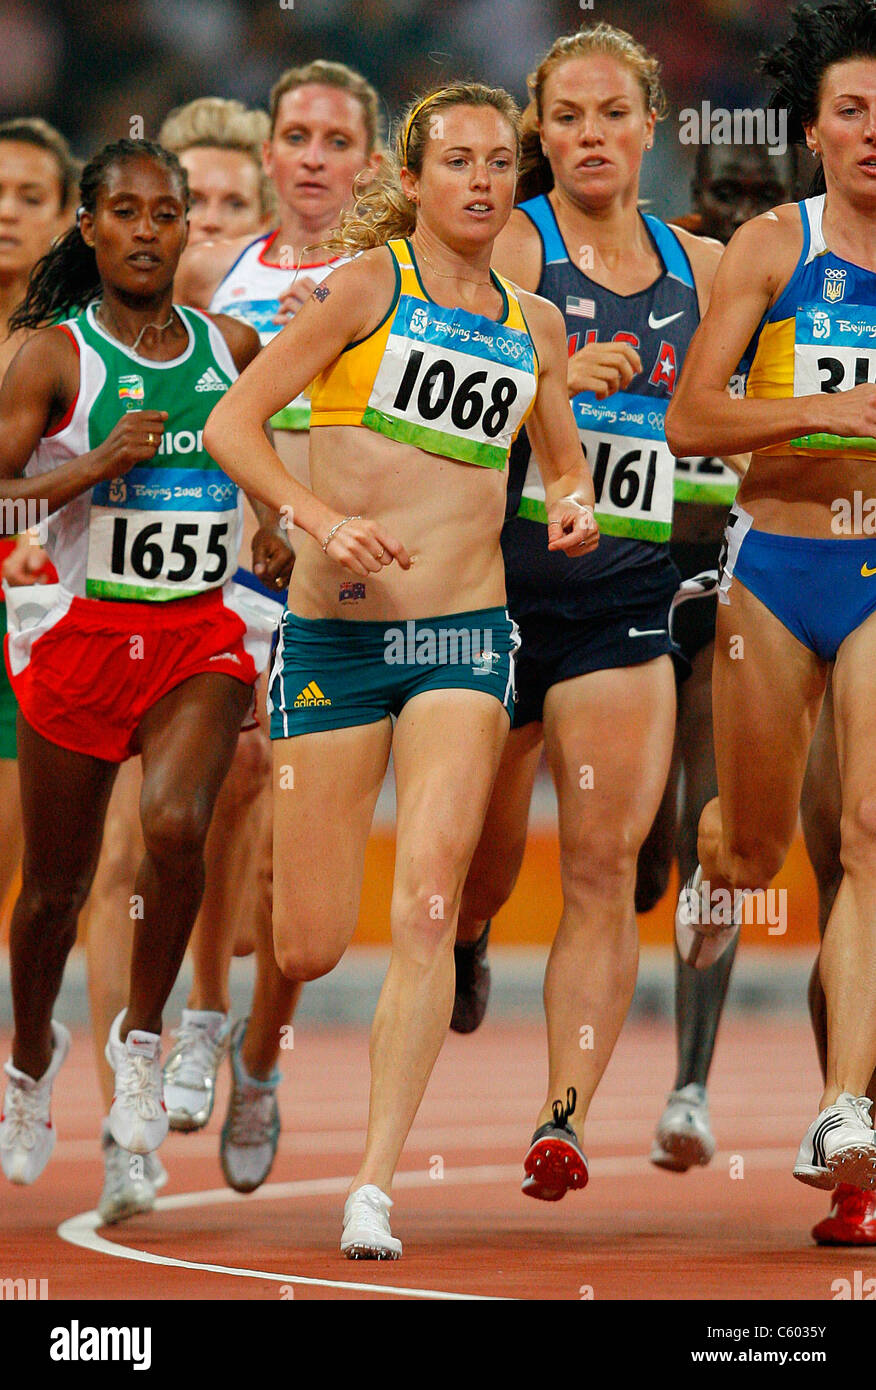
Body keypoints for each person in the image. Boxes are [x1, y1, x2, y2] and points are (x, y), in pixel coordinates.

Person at [204, 82, 598, 1258]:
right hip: (334, 637)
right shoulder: (364, 287)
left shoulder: (537, 327)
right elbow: (235, 427)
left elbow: (560, 463)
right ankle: (257, 1049)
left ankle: (374, 1183)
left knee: (427, 899)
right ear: (416, 179)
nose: (479, 180)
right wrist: (319, 521)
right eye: (456, 161)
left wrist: (573, 508)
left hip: (464, 642)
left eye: (497, 163)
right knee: (309, 941)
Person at [448, 24, 723, 1203]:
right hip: (488, 593)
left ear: (651, 124)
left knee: (606, 861)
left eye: (614, 114)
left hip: (623, 599)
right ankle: (465, 940)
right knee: (479, 864)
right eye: (566, 117)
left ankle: (562, 1115)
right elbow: (444, 408)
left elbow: (729, 424)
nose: (591, 136)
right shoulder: (510, 239)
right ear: (538, 130)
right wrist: (551, 382)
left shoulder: (705, 268)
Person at [0, 138, 290, 1188]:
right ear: (91, 227)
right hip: (82, 636)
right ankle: (31, 1056)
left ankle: (140, 1044)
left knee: (176, 825)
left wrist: (274, 518)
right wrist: (93, 465)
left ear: (182, 231)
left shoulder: (232, 346)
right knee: (54, 889)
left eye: (165, 214)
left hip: (197, 635)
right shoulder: (50, 355)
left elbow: (262, 455)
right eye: (123, 212)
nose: (145, 230)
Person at [155, 64, 384, 1199]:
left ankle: (258, 1056)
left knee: (301, 865)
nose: (308, 157)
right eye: (293, 134)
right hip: (244, 575)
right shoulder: (211, 270)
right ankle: (204, 1013)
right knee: (230, 780)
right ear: (268, 154)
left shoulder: (395, 278)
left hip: (349, 584)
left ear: (370, 164)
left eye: (334, 140)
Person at [665, 0, 876, 1204]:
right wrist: (817, 413)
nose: (872, 133)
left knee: (866, 837)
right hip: (780, 569)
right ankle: (712, 857)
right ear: (815, 132)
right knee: (752, 849)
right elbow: (693, 420)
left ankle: (844, 1107)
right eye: (851, 112)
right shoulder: (774, 251)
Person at [82, 99, 281, 1225]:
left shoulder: (268, 336)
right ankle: (129, 1116)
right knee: (122, 859)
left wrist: (279, 511)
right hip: (118, 616)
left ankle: (233, 1030)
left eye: (217, 208)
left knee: (256, 877)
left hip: (255, 604)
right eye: (175, 204)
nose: (190, 229)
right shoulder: (87, 339)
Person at [0, 119, 77, 915]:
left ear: (63, 218)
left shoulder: (86, 345)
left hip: (34, 615)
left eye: (30, 196)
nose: (6, 212)